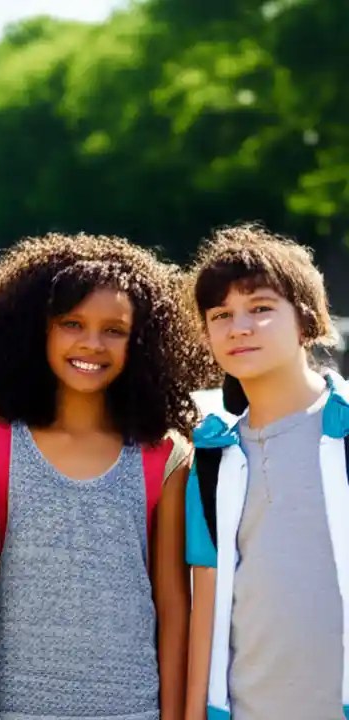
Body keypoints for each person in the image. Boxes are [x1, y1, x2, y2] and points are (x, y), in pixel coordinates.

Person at [0, 233, 208, 720]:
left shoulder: (165, 457)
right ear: (37, 331)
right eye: (71, 323)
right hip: (15, 706)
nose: (92, 343)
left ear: (140, 340)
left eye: (113, 329)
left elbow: (174, 607)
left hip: (130, 707)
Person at [184, 225, 349, 720]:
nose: (238, 328)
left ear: (307, 321)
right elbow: (205, 607)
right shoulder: (212, 457)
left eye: (260, 309)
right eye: (221, 315)